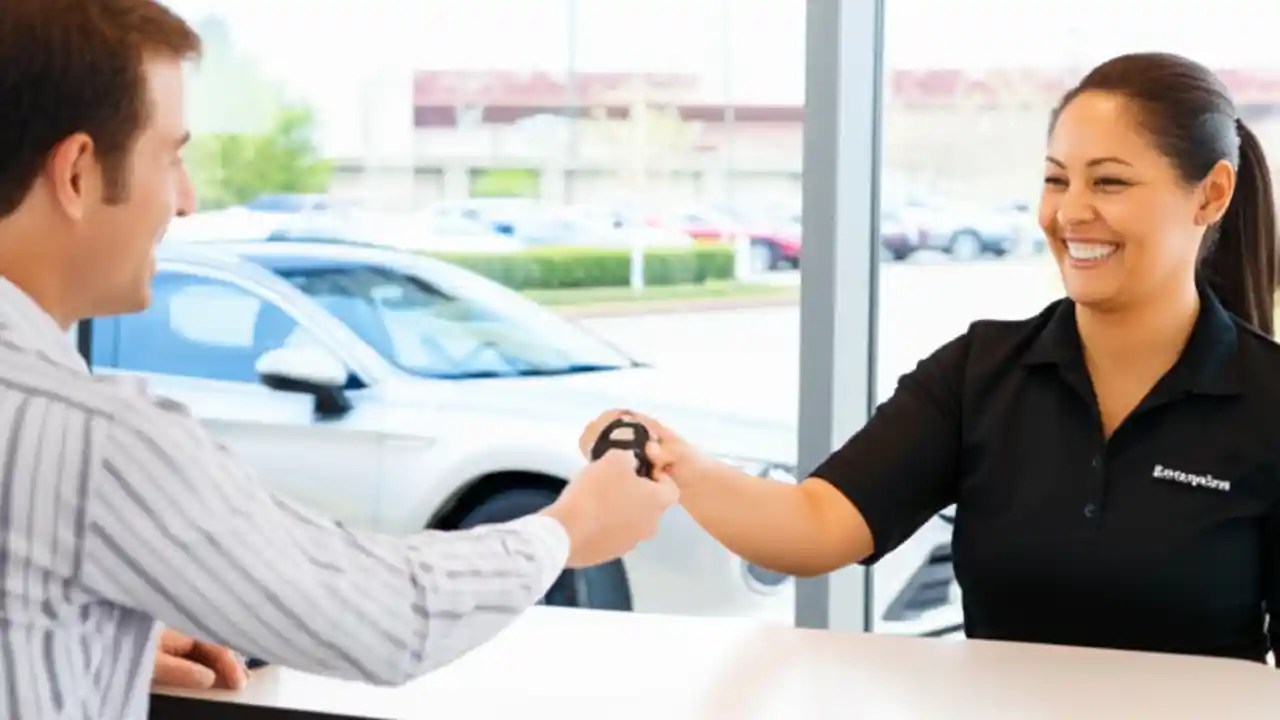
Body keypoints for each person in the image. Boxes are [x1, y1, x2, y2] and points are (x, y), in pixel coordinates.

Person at [0, 2, 678, 718]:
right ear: (76, 172)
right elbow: (389, 617)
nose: (188, 200)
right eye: (170, 156)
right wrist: (570, 527)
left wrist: (88, 628)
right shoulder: (94, 439)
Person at [586, 51, 1280, 665]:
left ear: (1211, 195)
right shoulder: (980, 372)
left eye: (1109, 182)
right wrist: (682, 465)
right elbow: (818, 525)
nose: (1070, 212)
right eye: (1056, 179)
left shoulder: (1269, 400)